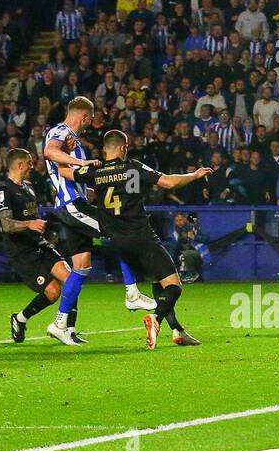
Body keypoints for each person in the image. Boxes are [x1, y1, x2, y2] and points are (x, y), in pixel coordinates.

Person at [62, 129, 211, 348]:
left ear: (105, 149)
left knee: (157, 283)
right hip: (141, 237)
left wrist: (65, 151)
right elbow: (168, 183)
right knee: (174, 285)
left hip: (118, 244)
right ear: (123, 147)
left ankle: (178, 331)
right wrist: (194, 175)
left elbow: (65, 171)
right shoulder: (133, 166)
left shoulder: (96, 170)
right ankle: (156, 319)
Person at [43, 96, 154, 345]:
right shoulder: (60, 131)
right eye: (89, 120)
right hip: (72, 206)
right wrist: (82, 161)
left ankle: (61, 324)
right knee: (120, 233)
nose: (89, 125)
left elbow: (67, 171)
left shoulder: (72, 141)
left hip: (75, 203)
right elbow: (49, 151)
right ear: (84, 117)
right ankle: (132, 293)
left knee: (81, 267)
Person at [0, 148, 76, 344]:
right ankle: (19, 319)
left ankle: (69, 329)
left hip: (39, 244)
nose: (32, 167)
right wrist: (29, 224)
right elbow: (6, 224)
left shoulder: (29, 187)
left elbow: (33, 218)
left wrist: (46, 233)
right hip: (22, 252)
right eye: (30, 163)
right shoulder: (4, 192)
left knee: (71, 279)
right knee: (52, 292)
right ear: (20, 165)